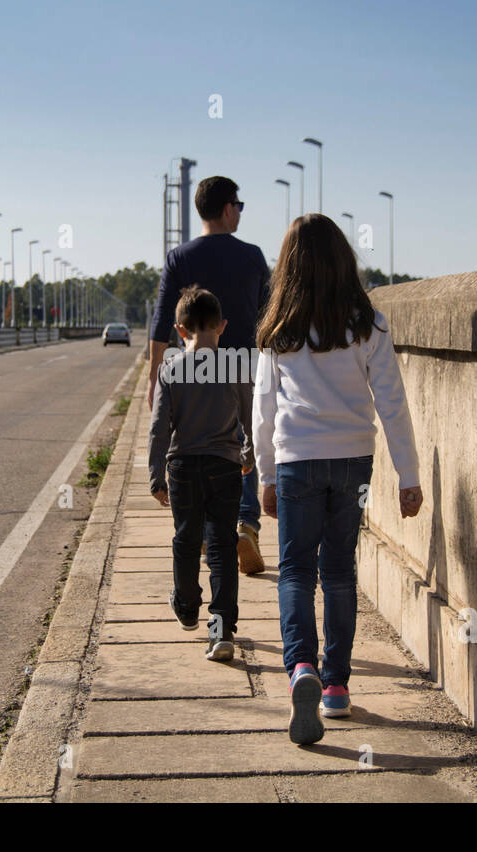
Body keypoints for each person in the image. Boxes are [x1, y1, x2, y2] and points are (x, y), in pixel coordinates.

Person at [253, 214, 424, 745]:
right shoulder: (367, 323)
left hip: (296, 461)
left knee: (296, 572)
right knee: (341, 571)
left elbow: (263, 408)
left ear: (290, 268)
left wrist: (263, 475)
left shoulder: (278, 330)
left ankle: (300, 666)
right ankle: (336, 687)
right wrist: (409, 474)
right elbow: (391, 400)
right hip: (353, 462)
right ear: (343, 261)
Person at [148, 176, 270, 575]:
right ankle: (245, 523)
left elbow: (162, 319)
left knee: (195, 444)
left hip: (193, 369)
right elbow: (272, 318)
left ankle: (200, 530)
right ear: (226, 208)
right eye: (239, 205)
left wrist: (154, 377)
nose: (239, 212)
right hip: (243, 366)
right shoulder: (252, 256)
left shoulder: (179, 258)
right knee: (244, 446)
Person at [148, 285, 254, 661]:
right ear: (222, 326)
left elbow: (160, 426)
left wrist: (155, 475)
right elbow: (249, 417)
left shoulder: (170, 369)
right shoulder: (236, 366)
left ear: (180, 329)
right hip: (225, 465)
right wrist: (249, 453)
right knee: (223, 545)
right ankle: (221, 627)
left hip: (183, 467)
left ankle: (188, 605)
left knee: (186, 539)